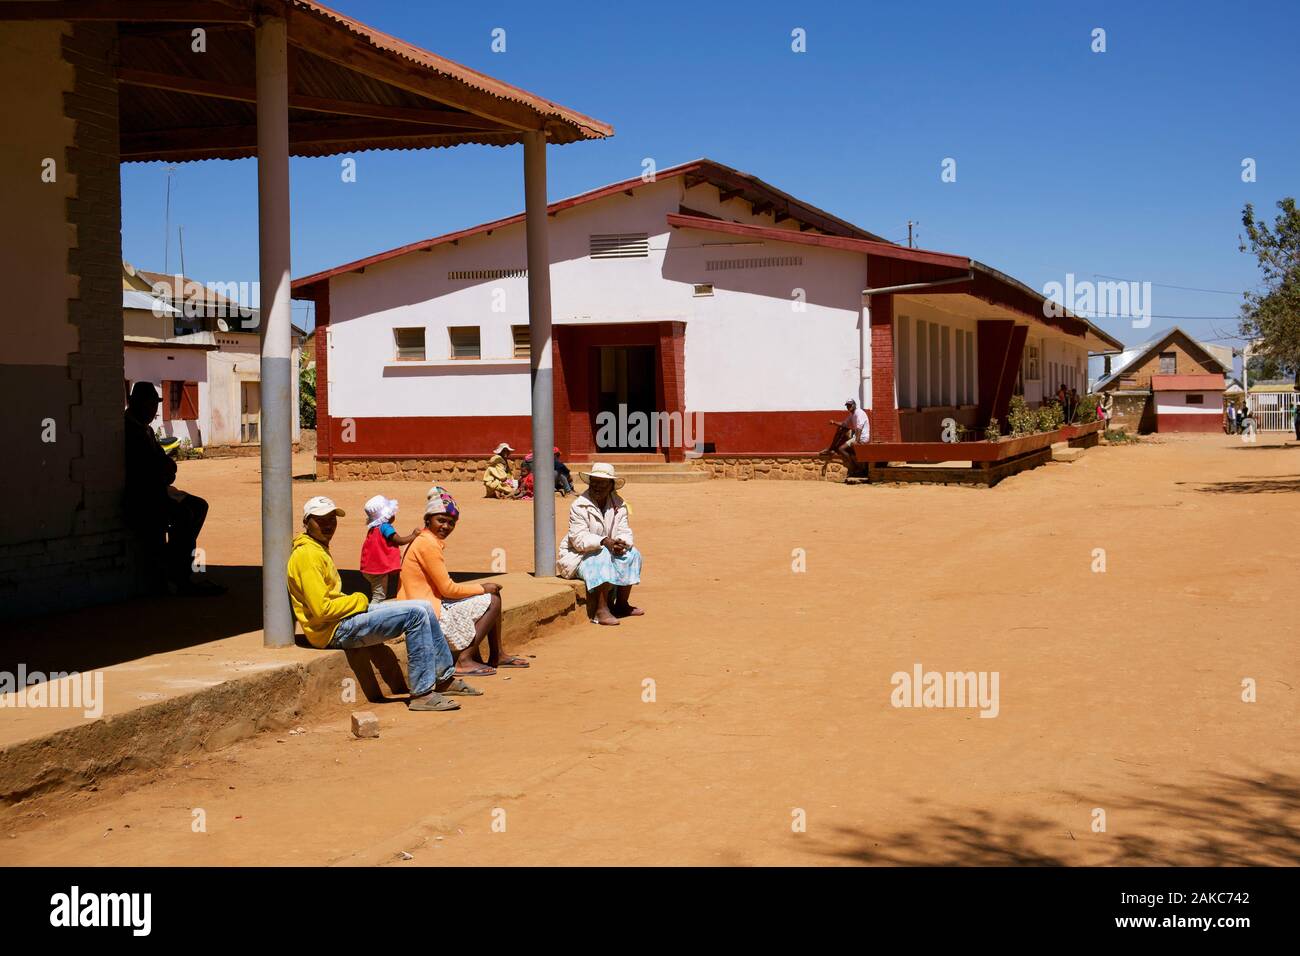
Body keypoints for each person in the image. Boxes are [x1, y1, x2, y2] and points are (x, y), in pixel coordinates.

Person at [287, 495, 480, 711]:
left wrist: (354, 603)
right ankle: (422, 693)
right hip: (334, 630)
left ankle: (444, 679)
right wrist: (359, 600)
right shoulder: (307, 555)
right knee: (415, 615)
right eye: (320, 520)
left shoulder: (317, 548)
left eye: (332, 519)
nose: (328, 525)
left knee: (423, 606)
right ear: (306, 522)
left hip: (342, 619)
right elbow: (322, 610)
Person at [397, 486, 529, 676]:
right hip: (427, 611)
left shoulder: (425, 539)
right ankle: (463, 660)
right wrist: (482, 587)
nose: (445, 527)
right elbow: (448, 589)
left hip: (422, 605)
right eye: (441, 521)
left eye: (451, 523)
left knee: (492, 594)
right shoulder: (428, 544)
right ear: (428, 520)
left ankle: (497, 654)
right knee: (493, 599)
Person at [123, 381, 223, 596]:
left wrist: (165, 469)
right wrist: (162, 470)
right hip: (142, 494)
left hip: (158, 488)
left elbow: (162, 460)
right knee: (183, 515)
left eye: (155, 406)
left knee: (199, 506)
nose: (153, 411)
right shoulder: (129, 430)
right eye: (150, 406)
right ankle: (179, 573)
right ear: (136, 404)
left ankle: (177, 562)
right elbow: (145, 466)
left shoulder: (146, 429)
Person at [557, 463, 644, 626]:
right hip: (578, 556)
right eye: (594, 481)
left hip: (608, 550)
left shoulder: (619, 504)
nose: (597, 486)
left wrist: (621, 543)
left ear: (611, 485)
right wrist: (604, 541)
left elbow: (624, 529)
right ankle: (601, 610)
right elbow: (578, 539)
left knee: (633, 553)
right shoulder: (579, 505)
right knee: (603, 554)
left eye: (602, 482)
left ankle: (622, 604)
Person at [359, 495, 419, 602]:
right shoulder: (385, 527)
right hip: (378, 569)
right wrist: (413, 535)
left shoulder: (373, 529)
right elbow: (398, 540)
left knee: (377, 590)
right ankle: (373, 613)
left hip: (368, 568)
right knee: (379, 596)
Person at [821, 399, 869, 473]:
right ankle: (855, 465)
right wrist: (834, 422)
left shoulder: (859, 413)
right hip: (856, 437)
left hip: (862, 437)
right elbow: (844, 424)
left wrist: (857, 441)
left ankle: (855, 467)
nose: (848, 407)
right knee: (842, 447)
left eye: (850, 405)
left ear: (854, 405)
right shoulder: (852, 414)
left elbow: (859, 427)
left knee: (841, 449)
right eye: (847, 406)